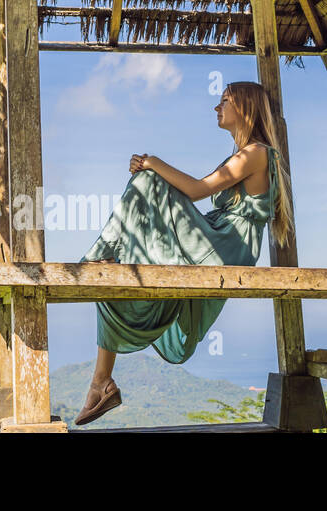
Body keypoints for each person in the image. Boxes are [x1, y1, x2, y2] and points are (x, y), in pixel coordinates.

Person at [73, 81, 295, 425]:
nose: (216, 108)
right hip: (216, 237)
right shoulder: (244, 154)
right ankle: (101, 381)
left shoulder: (256, 153)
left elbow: (195, 190)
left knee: (146, 181)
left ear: (246, 109)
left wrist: (153, 162)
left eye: (224, 101)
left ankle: (98, 258)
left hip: (225, 245)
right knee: (113, 280)